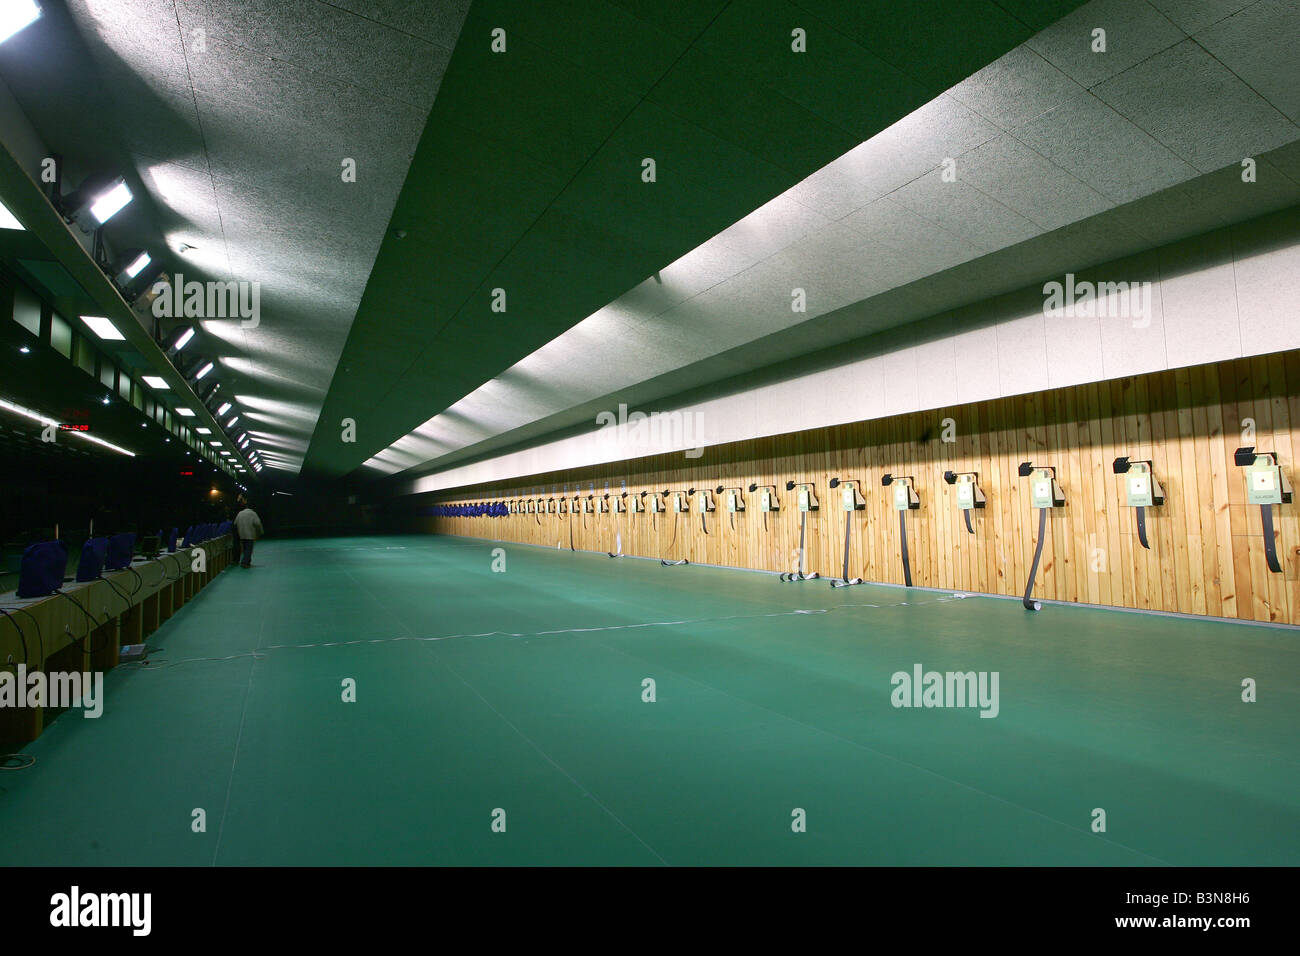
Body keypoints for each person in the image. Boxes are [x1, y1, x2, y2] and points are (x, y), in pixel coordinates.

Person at [233, 503, 264, 568]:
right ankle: (245, 563)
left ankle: (247, 562)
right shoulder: (253, 513)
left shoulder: (240, 513)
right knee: (249, 549)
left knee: (245, 549)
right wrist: (261, 532)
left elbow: (235, 523)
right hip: (250, 534)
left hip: (241, 534)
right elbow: (258, 523)